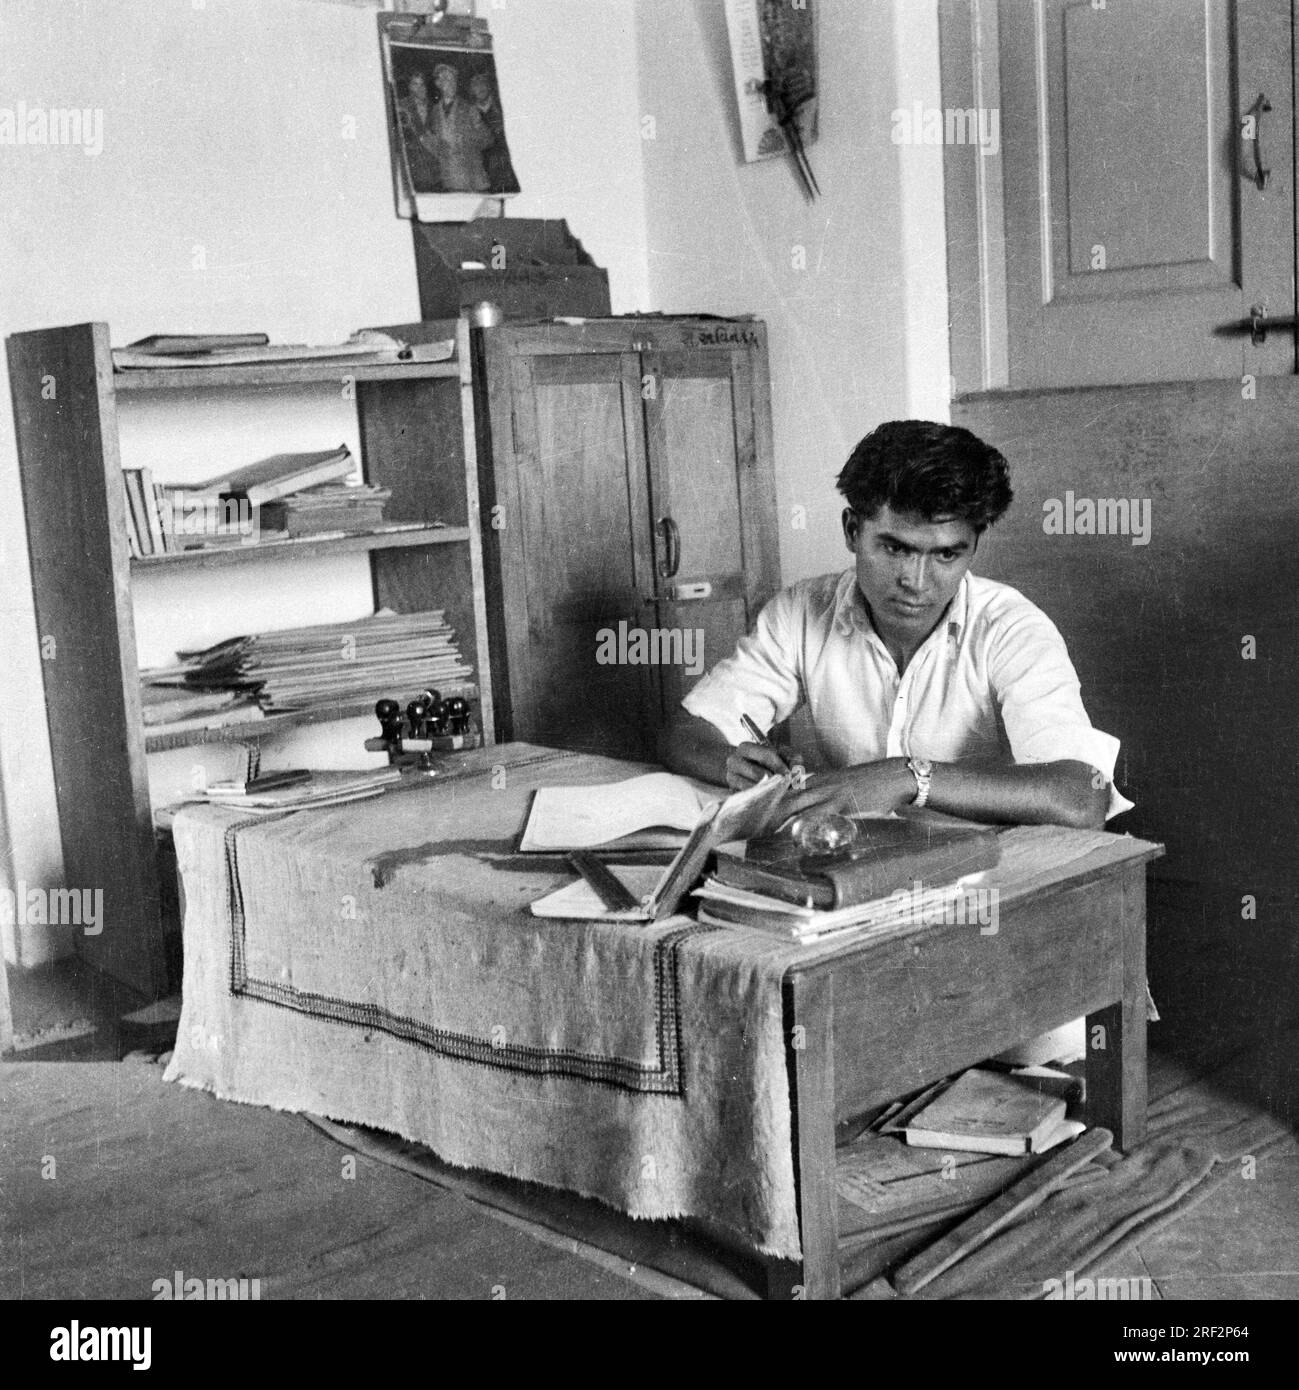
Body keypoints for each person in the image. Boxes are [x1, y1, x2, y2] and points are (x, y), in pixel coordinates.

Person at [661, 419, 1132, 830]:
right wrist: (729, 763)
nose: (916, 582)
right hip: (858, 863)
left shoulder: (1012, 629)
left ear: (973, 546)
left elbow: (1081, 797)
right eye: (894, 548)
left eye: (947, 554)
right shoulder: (801, 612)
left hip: (985, 877)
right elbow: (683, 731)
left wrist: (908, 776)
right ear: (852, 531)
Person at [429, 63, 491, 193]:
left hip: (472, 178)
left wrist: (467, 139)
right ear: (438, 84)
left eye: (453, 79)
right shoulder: (434, 111)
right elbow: (435, 143)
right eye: (446, 79)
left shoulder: (469, 108)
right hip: (448, 179)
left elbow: (488, 138)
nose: (451, 83)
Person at [469, 70, 520, 193]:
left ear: (489, 86)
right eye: (476, 85)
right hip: (483, 173)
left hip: (507, 171)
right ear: (471, 90)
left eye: (483, 83)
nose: (480, 88)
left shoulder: (502, 107)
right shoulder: (469, 113)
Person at [397, 72, 444, 193]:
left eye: (422, 84)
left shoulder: (435, 107)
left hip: (435, 172)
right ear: (409, 86)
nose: (420, 88)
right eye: (415, 84)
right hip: (413, 172)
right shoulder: (401, 107)